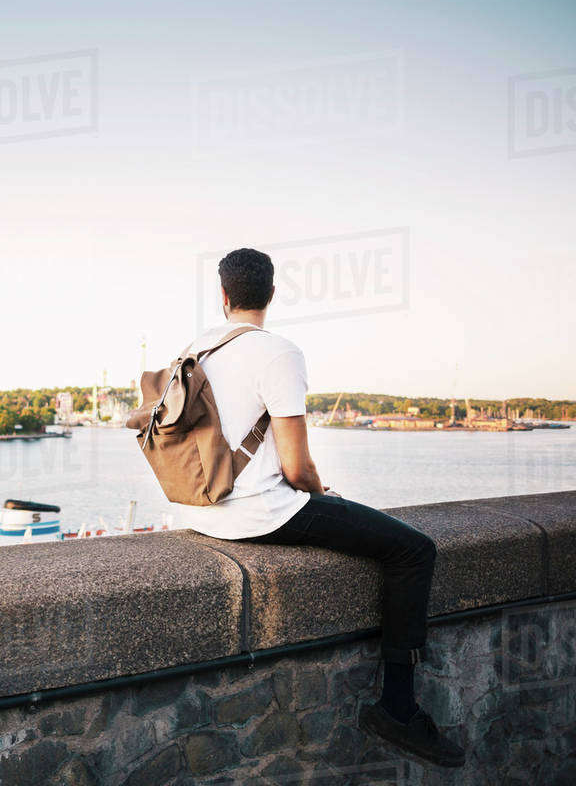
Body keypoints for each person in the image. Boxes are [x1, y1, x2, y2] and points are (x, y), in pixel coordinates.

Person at [174, 247, 464, 767]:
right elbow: (296, 469)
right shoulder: (279, 353)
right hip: (261, 514)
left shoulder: (194, 351)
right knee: (413, 550)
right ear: (271, 294)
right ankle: (397, 707)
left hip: (201, 510)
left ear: (222, 297)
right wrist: (322, 491)